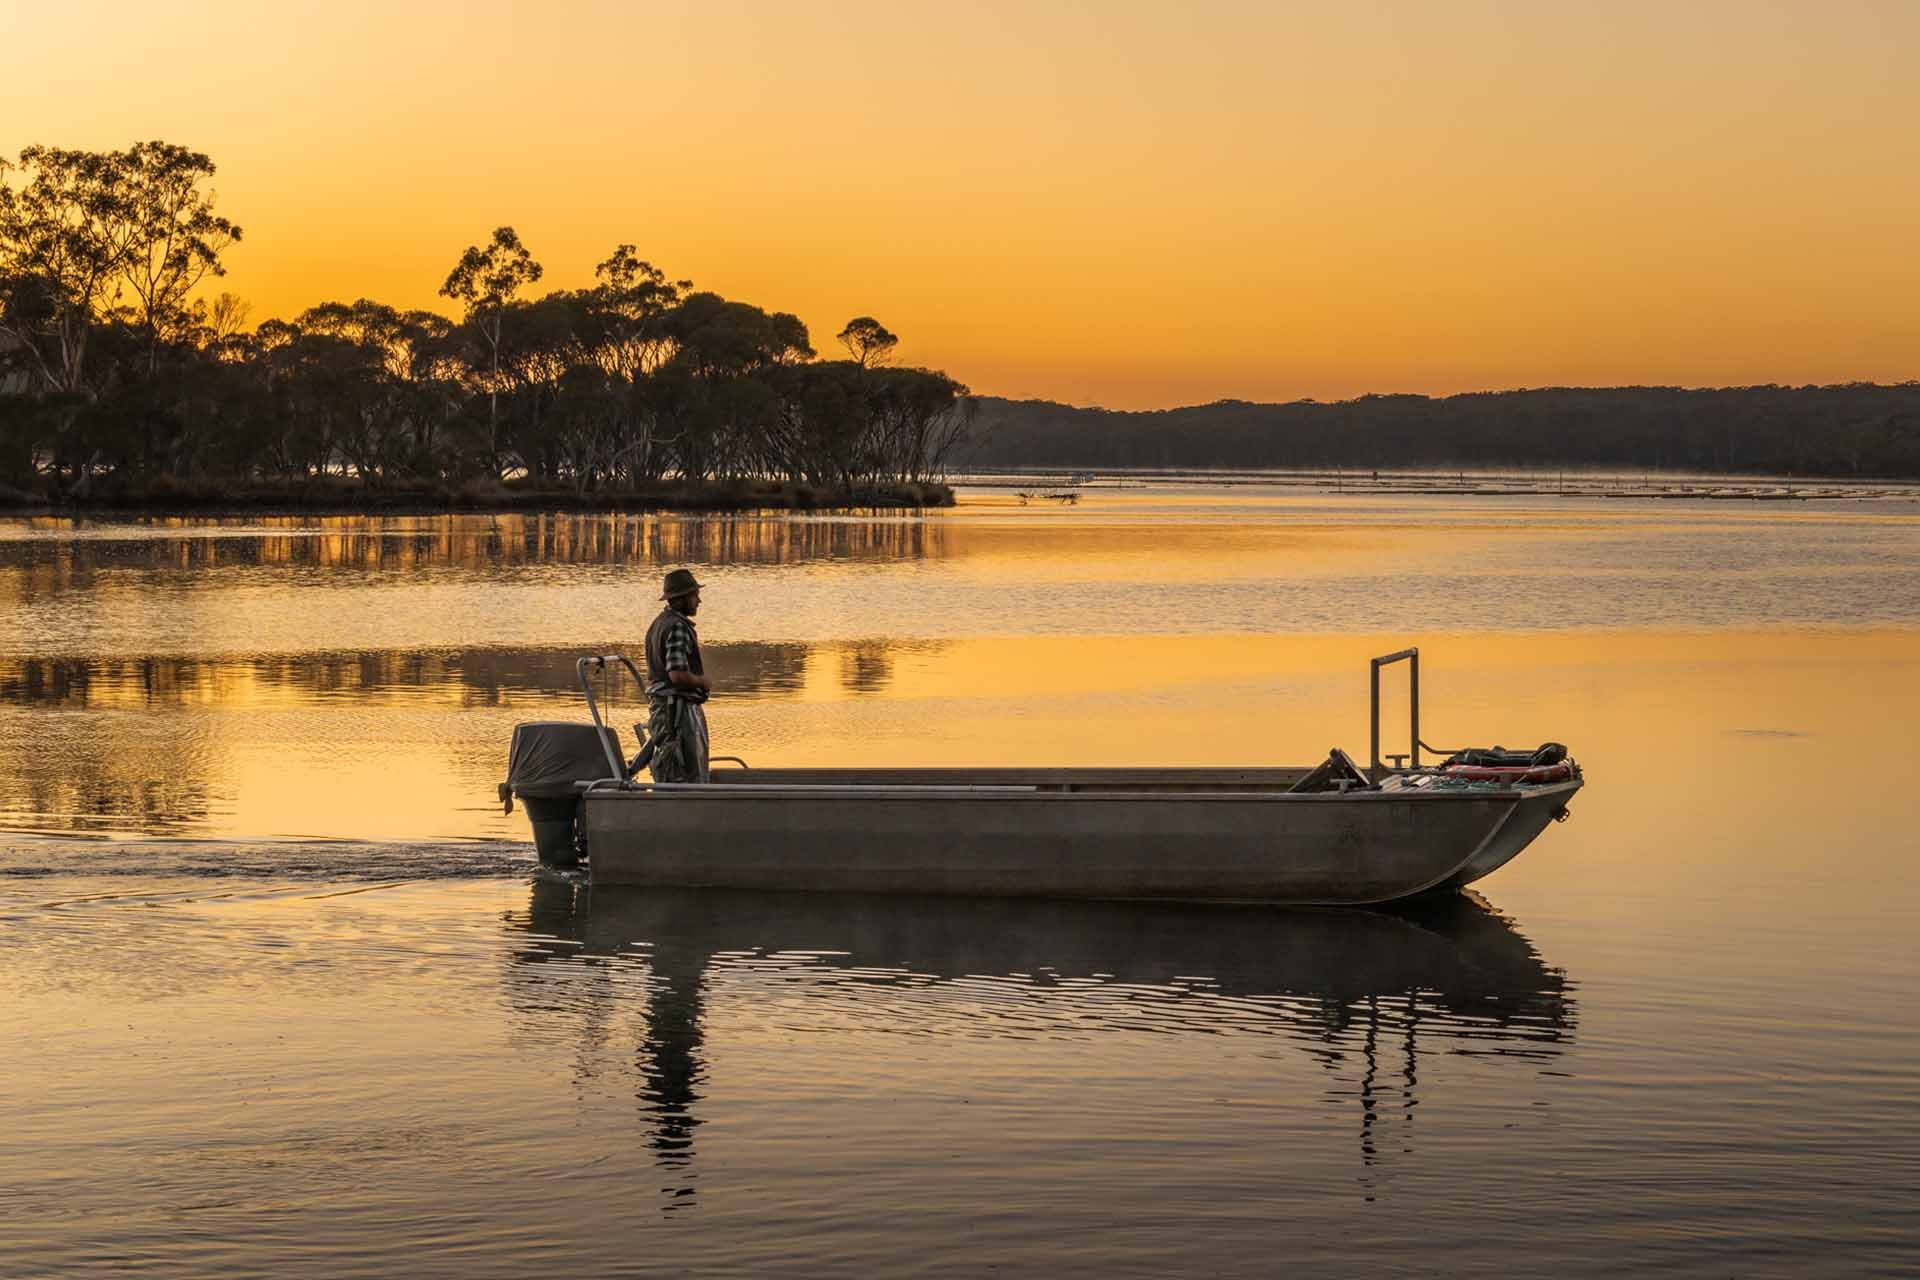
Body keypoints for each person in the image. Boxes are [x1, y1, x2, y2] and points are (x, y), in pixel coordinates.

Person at [643, 568, 713, 782]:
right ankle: (687, 812)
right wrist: (703, 681)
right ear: (681, 599)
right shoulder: (677, 627)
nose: (698, 601)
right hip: (678, 713)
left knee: (671, 769)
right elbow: (677, 675)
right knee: (687, 773)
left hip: (664, 710)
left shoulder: (659, 623)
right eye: (694, 596)